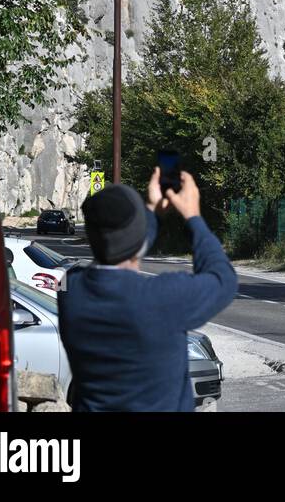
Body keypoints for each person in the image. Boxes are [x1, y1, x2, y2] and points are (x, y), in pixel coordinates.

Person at [58, 167, 237, 411]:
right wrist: (193, 216)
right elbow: (223, 279)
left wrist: (151, 211)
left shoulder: (71, 290)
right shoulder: (160, 298)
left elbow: (122, 243)